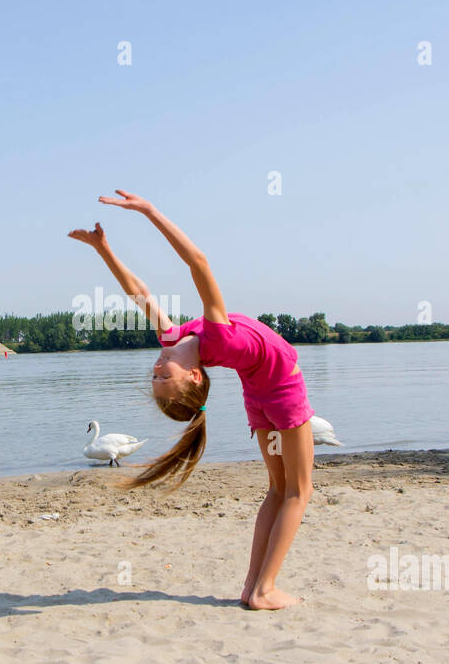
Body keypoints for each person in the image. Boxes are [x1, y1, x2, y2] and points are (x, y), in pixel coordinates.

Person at [68, 190, 314, 610]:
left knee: (277, 487)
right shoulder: (216, 335)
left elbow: (137, 292)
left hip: (258, 399)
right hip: (283, 396)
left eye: (156, 374)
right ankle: (264, 590)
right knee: (298, 491)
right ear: (195, 375)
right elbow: (198, 261)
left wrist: (104, 249)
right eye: (166, 375)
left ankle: (252, 586)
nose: (158, 365)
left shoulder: (174, 337)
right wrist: (148, 211)